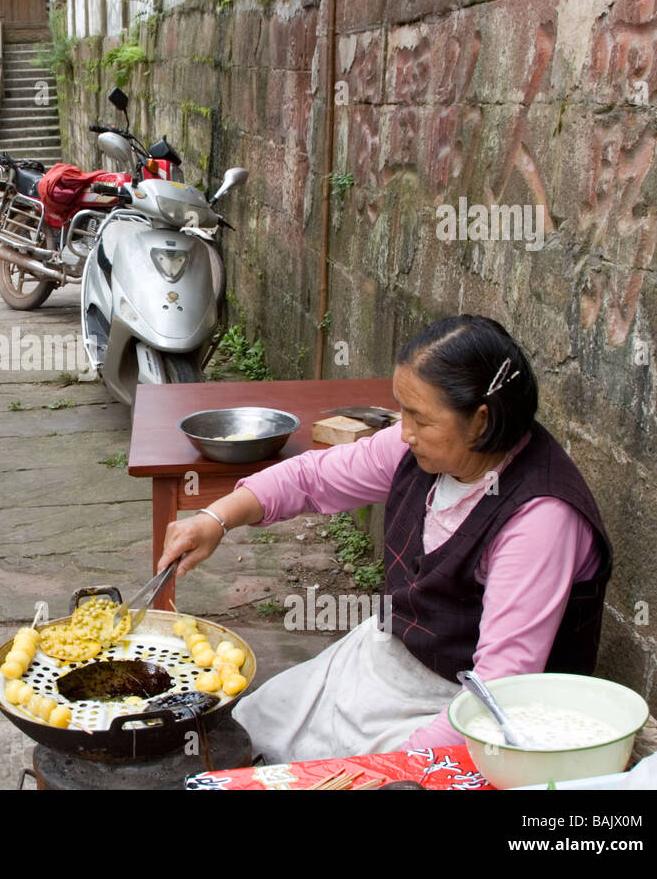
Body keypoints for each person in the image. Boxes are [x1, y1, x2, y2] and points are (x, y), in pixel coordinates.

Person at [156, 315, 613, 763]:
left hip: (463, 704)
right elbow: (314, 478)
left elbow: (497, 692)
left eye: (420, 418)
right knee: (247, 728)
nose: (404, 433)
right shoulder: (420, 448)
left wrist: (393, 768)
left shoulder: (540, 518)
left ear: (480, 421)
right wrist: (214, 519)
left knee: (345, 776)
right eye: (403, 412)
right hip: (387, 655)